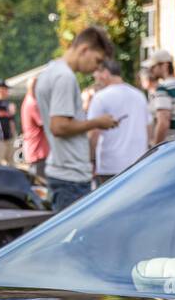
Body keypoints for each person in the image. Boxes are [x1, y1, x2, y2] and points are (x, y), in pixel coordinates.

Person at [35, 26, 119, 211]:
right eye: (98, 60)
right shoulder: (65, 77)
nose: (97, 67)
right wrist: (97, 122)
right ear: (84, 49)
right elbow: (59, 126)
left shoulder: (49, 71)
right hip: (71, 176)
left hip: (62, 171)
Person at [88, 58, 150, 187]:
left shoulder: (100, 97)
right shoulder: (139, 95)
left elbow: (93, 133)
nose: (95, 77)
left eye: (96, 73)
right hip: (138, 165)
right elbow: (149, 129)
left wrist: (90, 159)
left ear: (105, 73)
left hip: (109, 166)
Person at [21, 75, 49, 179]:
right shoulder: (33, 103)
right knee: (41, 184)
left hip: (35, 150)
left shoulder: (28, 101)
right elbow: (44, 123)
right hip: (38, 151)